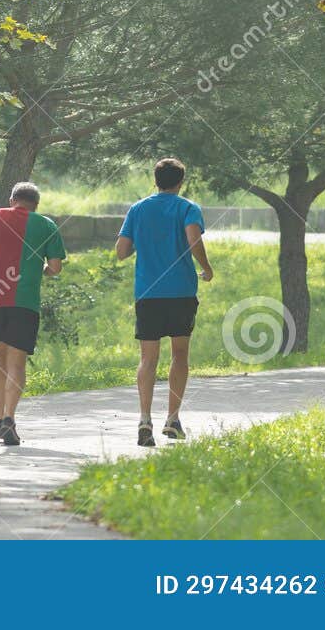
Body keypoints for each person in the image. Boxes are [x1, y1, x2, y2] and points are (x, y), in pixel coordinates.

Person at [115, 158, 213, 447]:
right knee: (180, 354)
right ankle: (172, 419)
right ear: (180, 181)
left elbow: (121, 251)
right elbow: (194, 240)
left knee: (148, 357)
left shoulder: (138, 209)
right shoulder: (187, 208)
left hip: (148, 292)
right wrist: (207, 268)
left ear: (155, 179)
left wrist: (143, 241)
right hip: (181, 291)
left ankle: (145, 419)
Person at [0, 181, 67, 446]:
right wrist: (38, 270)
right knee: (16, 361)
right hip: (25, 301)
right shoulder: (46, 225)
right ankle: (9, 419)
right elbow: (55, 267)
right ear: (36, 205)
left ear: (12, 200)